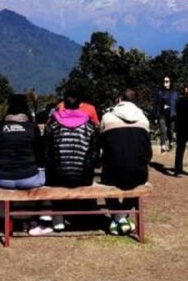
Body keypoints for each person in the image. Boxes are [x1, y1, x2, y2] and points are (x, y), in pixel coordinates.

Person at [44, 91, 99, 231]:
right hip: (83, 177)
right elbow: (94, 152)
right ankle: (84, 216)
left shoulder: (53, 122)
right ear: (80, 105)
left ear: (63, 105)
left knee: (52, 174)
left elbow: (47, 150)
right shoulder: (89, 124)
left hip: (58, 176)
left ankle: (58, 218)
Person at [100, 89, 152, 235]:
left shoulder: (107, 117)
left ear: (119, 100)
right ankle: (123, 217)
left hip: (113, 174)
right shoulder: (144, 119)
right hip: (138, 175)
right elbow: (148, 154)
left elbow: (102, 148)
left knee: (105, 178)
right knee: (139, 178)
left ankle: (117, 216)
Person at [153, 76, 178, 153]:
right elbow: (156, 104)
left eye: (167, 81)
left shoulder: (174, 92)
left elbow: (177, 104)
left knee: (170, 131)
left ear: (170, 82)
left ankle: (171, 143)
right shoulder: (159, 92)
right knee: (163, 131)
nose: (165, 83)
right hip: (161, 114)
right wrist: (155, 116)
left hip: (171, 115)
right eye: (164, 81)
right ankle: (163, 146)